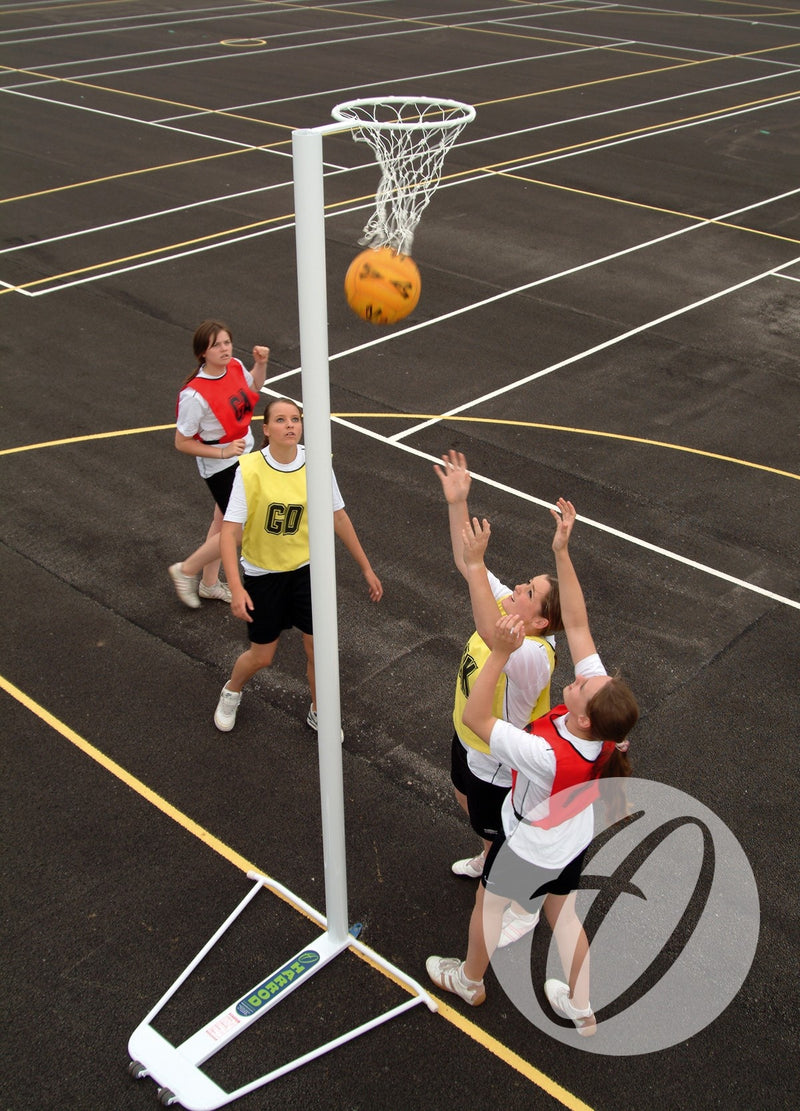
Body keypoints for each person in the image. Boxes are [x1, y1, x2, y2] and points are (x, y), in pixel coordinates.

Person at [426, 499, 639, 1036]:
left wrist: (497, 652)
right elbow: (582, 623)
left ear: (587, 718)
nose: (579, 674)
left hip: (530, 847)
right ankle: (582, 1004)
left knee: (487, 906)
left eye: (582, 685)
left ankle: (470, 979)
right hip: (569, 842)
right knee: (563, 916)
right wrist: (563, 552)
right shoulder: (600, 740)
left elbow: (477, 717)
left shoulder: (545, 753)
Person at [434, 450, 563, 947]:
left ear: (540, 621)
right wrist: (457, 504)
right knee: (466, 803)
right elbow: (464, 562)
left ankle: (521, 899)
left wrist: (477, 561)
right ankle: (489, 850)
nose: (518, 586)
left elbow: (489, 633)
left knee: (502, 828)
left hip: (498, 763)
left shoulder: (532, 654)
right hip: (466, 739)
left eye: (528, 590)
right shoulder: (510, 611)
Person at [213, 397, 383, 735]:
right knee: (262, 656)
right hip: (264, 574)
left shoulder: (317, 462)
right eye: (280, 420)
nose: (290, 425)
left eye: (295, 419)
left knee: (318, 650)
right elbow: (228, 532)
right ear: (266, 429)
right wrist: (235, 587)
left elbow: (338, 516)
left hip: (307, 570)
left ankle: (320, 710)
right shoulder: (249, 469)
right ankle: (232, 689)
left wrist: (365, 567)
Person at [169, 319, 269, 608]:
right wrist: (224, 454)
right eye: (217, 345)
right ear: (203, 353)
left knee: (222, 523)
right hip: (221, 466)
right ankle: (186, 569)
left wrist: (260, 364)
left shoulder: (236, 366)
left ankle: (209, 584)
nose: (225, 349)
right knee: (237, 530)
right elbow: (182, 442)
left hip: (245, 456)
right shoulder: (194, 396)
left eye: (227, 342)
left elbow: (252, 390)